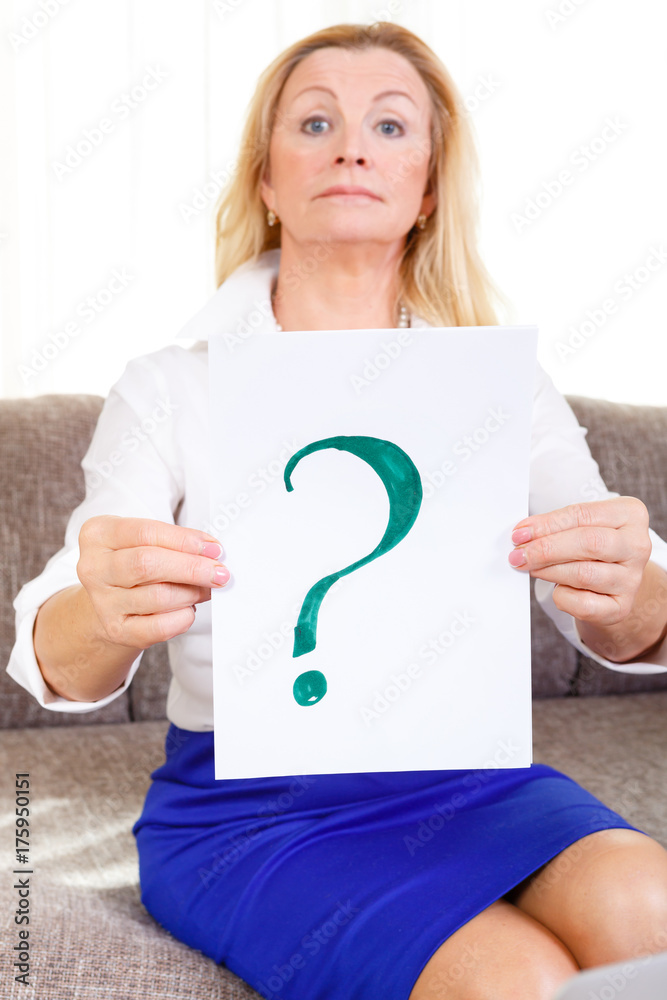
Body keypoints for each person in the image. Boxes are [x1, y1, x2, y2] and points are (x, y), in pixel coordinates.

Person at [7, 21, 667, 1000]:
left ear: (428, 188)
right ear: (267, 181)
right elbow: (60, 655)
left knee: (647, 906)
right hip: (248, 806)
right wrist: (103, 610)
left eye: (390, 126)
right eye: (315, 122)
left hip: (465, 780)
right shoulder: (170, 388)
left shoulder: (502, 386)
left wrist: (630, 584)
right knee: (512, 978)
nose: (353, 145)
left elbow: (627, 618)